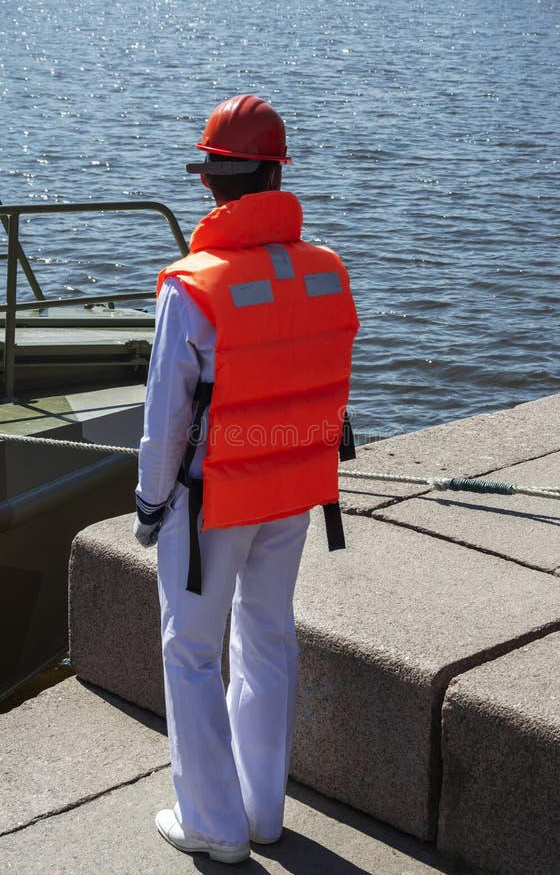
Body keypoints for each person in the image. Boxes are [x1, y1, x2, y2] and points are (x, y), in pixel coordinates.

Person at [133, 94, 359, 864]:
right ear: (276, 175)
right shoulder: (326, 269)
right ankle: (262, 813)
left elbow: (165, 421)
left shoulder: (192, 286)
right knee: (268, 637)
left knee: (191, 652)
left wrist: (150, 504)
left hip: (210, 503)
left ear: (208, 182)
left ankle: (214, 826)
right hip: (292, 490)